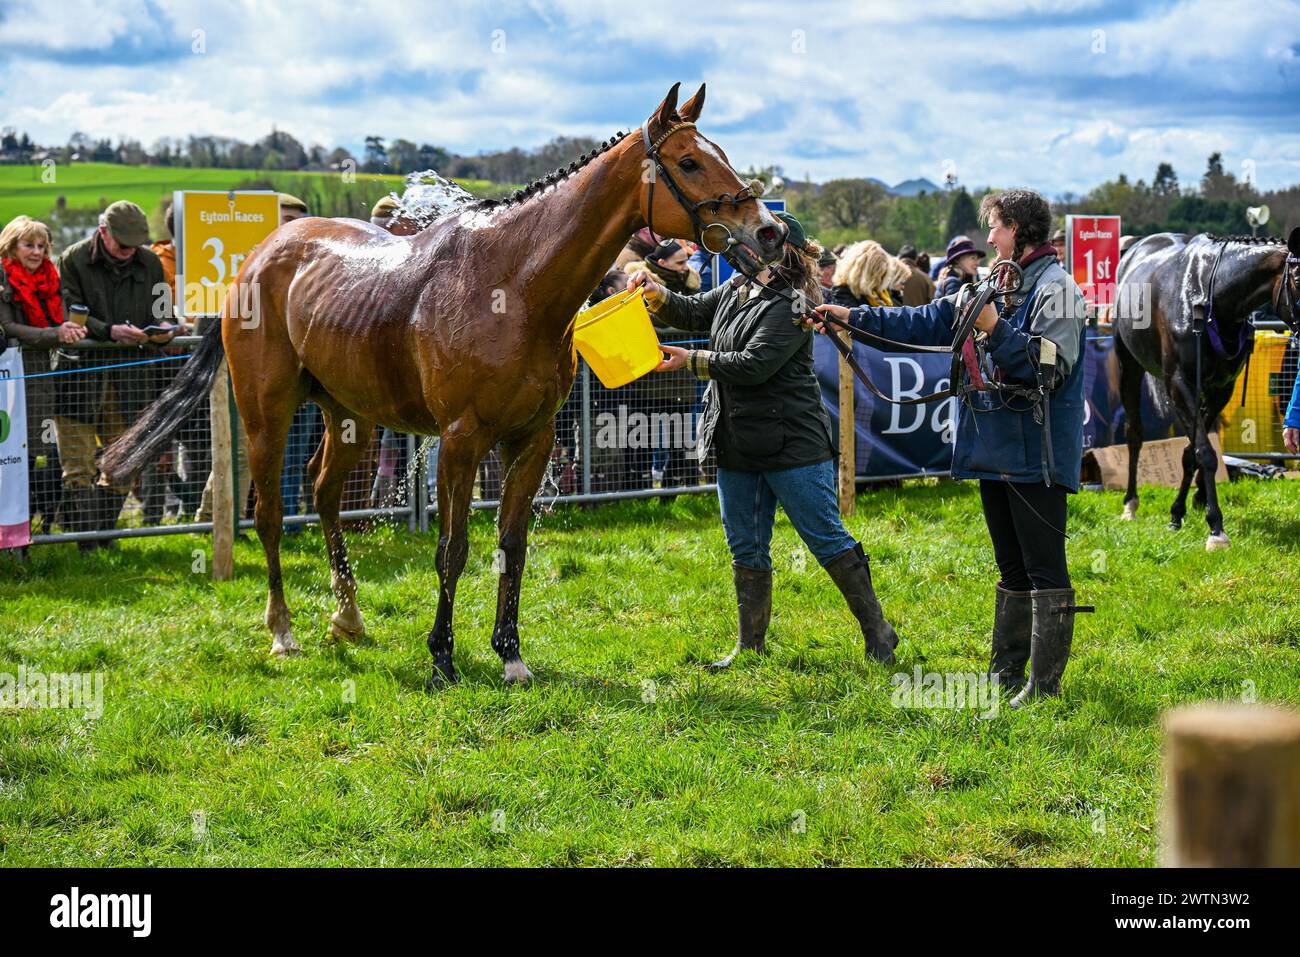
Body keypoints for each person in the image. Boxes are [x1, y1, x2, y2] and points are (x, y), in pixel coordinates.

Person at [812, 188, 1087, 706]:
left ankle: (1044, 687)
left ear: (1020, 230)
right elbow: (923, 320)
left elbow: (1049, 368)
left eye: (997, 226)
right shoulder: (989, 285)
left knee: (1044, 568)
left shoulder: (1059, 289)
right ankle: (1006, 676)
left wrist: (995, 329)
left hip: (1039, 452)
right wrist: (850, 319)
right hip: (993, 448)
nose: (989, 236)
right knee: (1010, 567)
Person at [631, 212, 899, 669]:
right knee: (745, 546)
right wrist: (658, 295)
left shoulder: (794, 302)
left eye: (749, 240)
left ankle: (878, 632)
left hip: (791, 443)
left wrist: (691, 360)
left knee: (825, 538)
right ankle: (750, 646)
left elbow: (754, 364)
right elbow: (693, 311)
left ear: (778, 249)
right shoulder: (738, 288)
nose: (737, 246)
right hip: (734, 438)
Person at [56, 200, 176, 549]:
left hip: (130, 381)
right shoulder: (73, 259)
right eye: (122, 245)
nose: (128, 253)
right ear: (103, 232)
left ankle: (104, 536)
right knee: (77, 466)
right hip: (79, 376)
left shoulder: (150, 262)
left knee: (123, 464)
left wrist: (165, 328)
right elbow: (68, 311)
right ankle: (84, 544)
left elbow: (162, 308)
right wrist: (109, 331)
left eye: (134, 246)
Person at [1, 216, 86, 550]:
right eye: (28, 245)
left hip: (40, 380)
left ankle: (26, 537)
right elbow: (7, 326)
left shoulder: (50, 279)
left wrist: (71, 327)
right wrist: (55, 334)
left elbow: (59, 319)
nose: (36, 252)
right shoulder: (4, 279)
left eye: (41, 246)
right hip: (10, 380)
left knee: (34, 459)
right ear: (11, 246)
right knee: (10, 457)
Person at [624, 239, 701, 492]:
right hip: (647, 376)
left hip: (680, 375)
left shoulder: (689, 286)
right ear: (662, 263)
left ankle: (673, 491)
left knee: (679, 440)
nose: (685, 267)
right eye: (680, 262)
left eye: (687, 261)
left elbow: (695, 317)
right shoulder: (640, 284)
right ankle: (637, 494)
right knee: (640, 439)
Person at [829, 240, 901, 309]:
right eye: (876, 274)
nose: (879, 280)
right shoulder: (843, 293)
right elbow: (853, 319)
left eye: (883, 275)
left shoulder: (881, 293)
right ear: (862, 272)